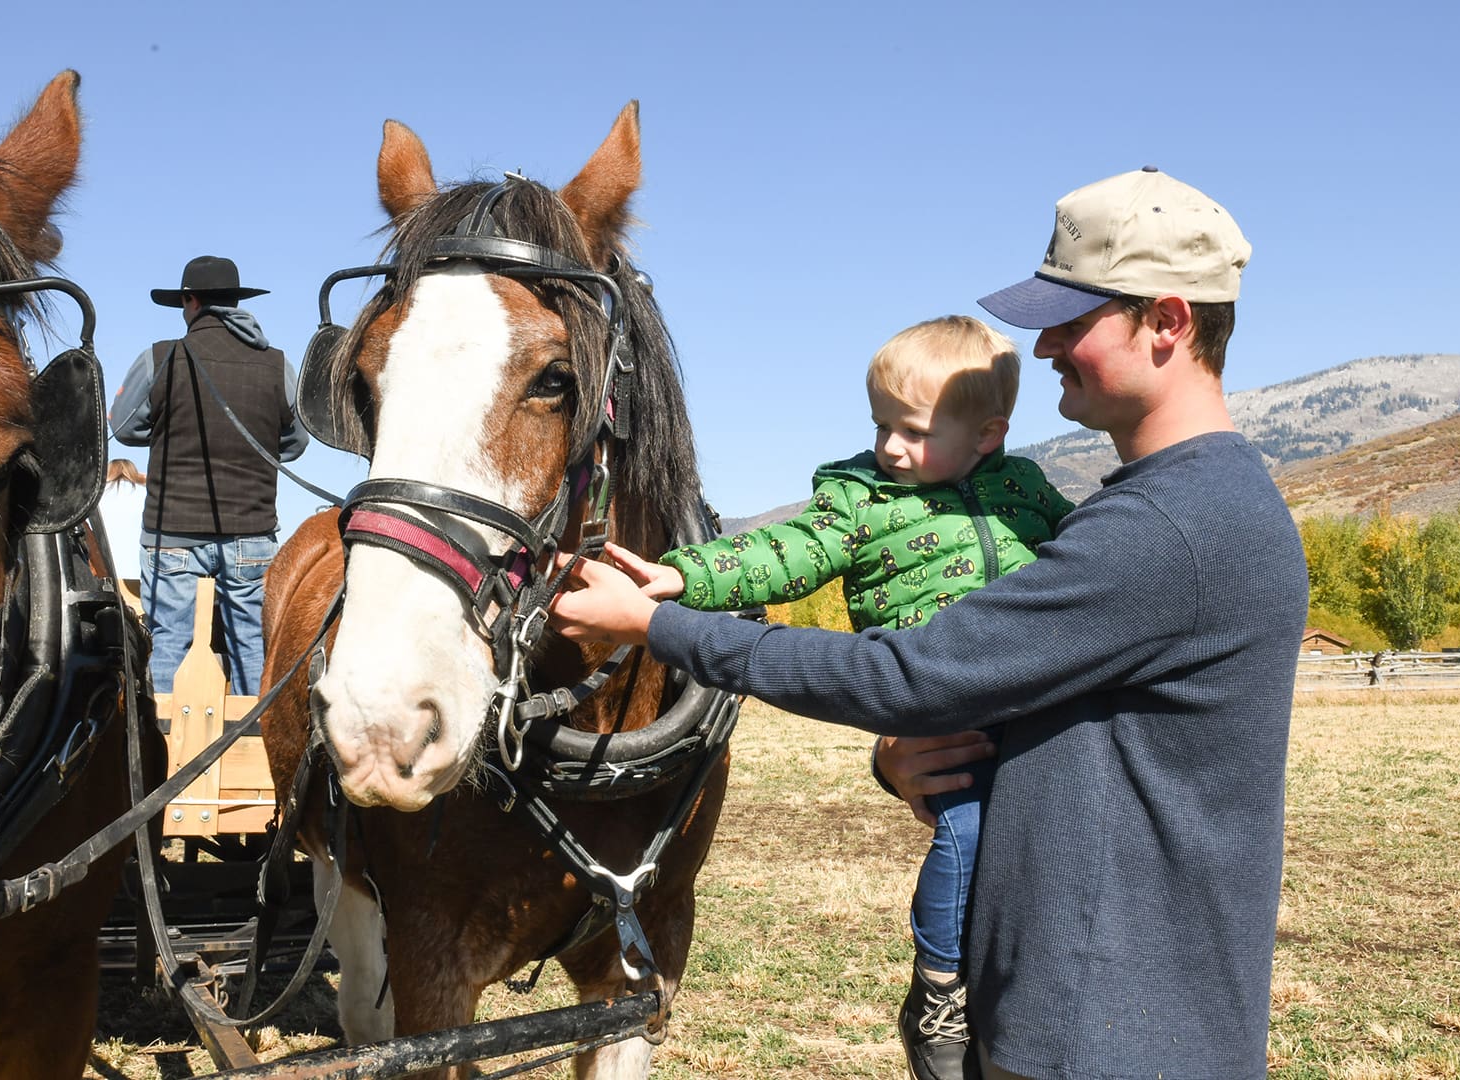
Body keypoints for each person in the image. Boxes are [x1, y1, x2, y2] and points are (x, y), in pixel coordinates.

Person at [550, 167, 1305, 1080]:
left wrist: (654, 627)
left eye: (1073, 321)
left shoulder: (1170, 529)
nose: (1046, 347)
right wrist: (902, 755)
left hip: (1110, 1030)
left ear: (1169, 323)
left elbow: (913, 674)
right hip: (1096, 1005)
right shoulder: (1161, 510)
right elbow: (1045, 700)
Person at [647, 315, 1073, 1080]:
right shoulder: (862, 499)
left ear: (987, 434)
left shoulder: (1026, 491)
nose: (889, 448)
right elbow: (785, 552)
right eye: (880, 425)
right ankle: (940, 983)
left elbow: (1084, 563)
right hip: (944, 709)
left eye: (911, 431)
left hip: (1036, 705)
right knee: (968, 831)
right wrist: (681, 578)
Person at [111, 256, 308, 696]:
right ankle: (251, 751)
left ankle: (163, 755)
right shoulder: (278, 364)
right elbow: (295, 442)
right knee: (252, 649)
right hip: (251, 535)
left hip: (171, 534)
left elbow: (123, 427)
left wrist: (166, 431)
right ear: (237, 302)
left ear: (190, 301)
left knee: (167, 647)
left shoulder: (161, 357)